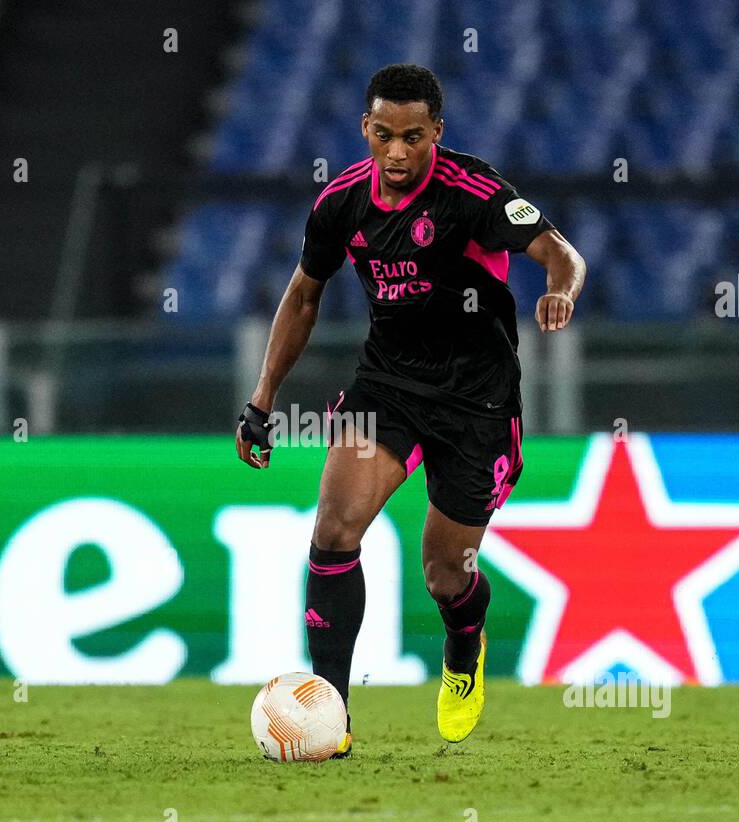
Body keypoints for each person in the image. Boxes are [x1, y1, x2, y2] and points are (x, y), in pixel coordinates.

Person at [235, 64, 586, 755]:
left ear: (437, 134)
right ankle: (332, 720)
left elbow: (559, 252)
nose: (397, 153)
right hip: (388, 386)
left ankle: (464, 645)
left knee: (444, 572)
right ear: (365, 128)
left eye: (414, 138)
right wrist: (262, 399)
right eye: (385, 135)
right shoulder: (340, 203)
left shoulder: (474, 192)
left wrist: (562, 291)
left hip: (477, 401)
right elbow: (304, 295)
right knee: (334, 529)